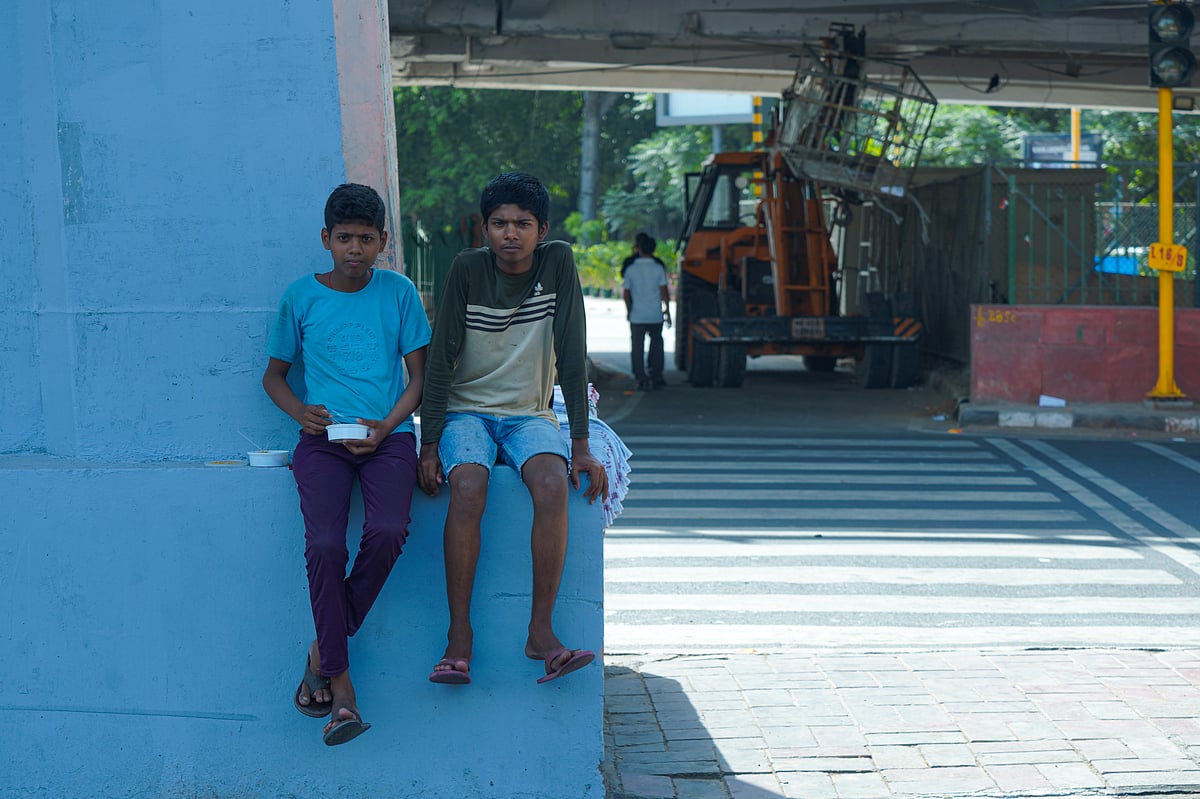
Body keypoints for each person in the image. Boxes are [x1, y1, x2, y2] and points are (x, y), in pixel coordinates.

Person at [418, 171, 609, 686]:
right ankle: (460, 637)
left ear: (541, 228)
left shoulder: (558, 262)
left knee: (551, 487)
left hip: (529, 414)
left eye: (522, 223)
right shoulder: (466, 269)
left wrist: (582, 446)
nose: (510, 234)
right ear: (483, 229)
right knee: (467, 486)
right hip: (466, 411)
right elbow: (440, 361)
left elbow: (572, 354)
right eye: (499, 223)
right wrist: (430, 443)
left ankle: (541, 634)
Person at [262, 183, 430, 746]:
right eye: (343, 238)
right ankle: (344, 690)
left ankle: (321, 653)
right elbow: (274, 376)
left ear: (383, 241)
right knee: (326, 546)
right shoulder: (300, 298)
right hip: (322, 442)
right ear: (325, 240)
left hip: (389, 437)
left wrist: (386, 426)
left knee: (386, 530)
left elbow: (419, 379)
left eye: (365, 239)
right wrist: (302, 413)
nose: (354, 249)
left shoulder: (399, 292)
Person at [621, 232, 671, 391]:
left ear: (639, 248)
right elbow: (664, 291)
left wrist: (629, 310)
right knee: (657, 344)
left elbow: (626, 293)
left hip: (637, 315)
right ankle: (656, 375)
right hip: (655, 315)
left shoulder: (630, 269)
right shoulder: (658, 267)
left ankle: (641, 377)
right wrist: (667, 311)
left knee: (637, 347)